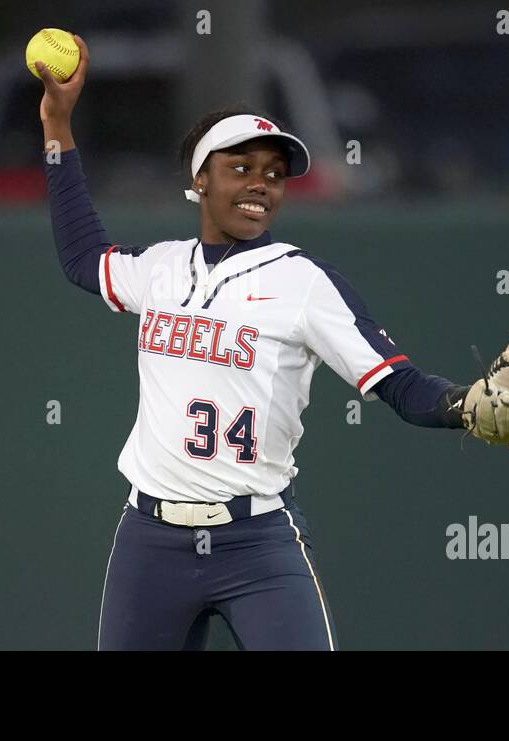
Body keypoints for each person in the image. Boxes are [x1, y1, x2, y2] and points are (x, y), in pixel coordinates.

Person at [36, 35, 474, 651]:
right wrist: (57, 124)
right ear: (199, 180)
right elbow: (83, 256)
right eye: (240, 168)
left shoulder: (304, 282)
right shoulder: (160, 268)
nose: (260, 184)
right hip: (149, 539)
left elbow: (399, 384)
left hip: (258, 541)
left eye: (273, 174)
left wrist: (466, 405)